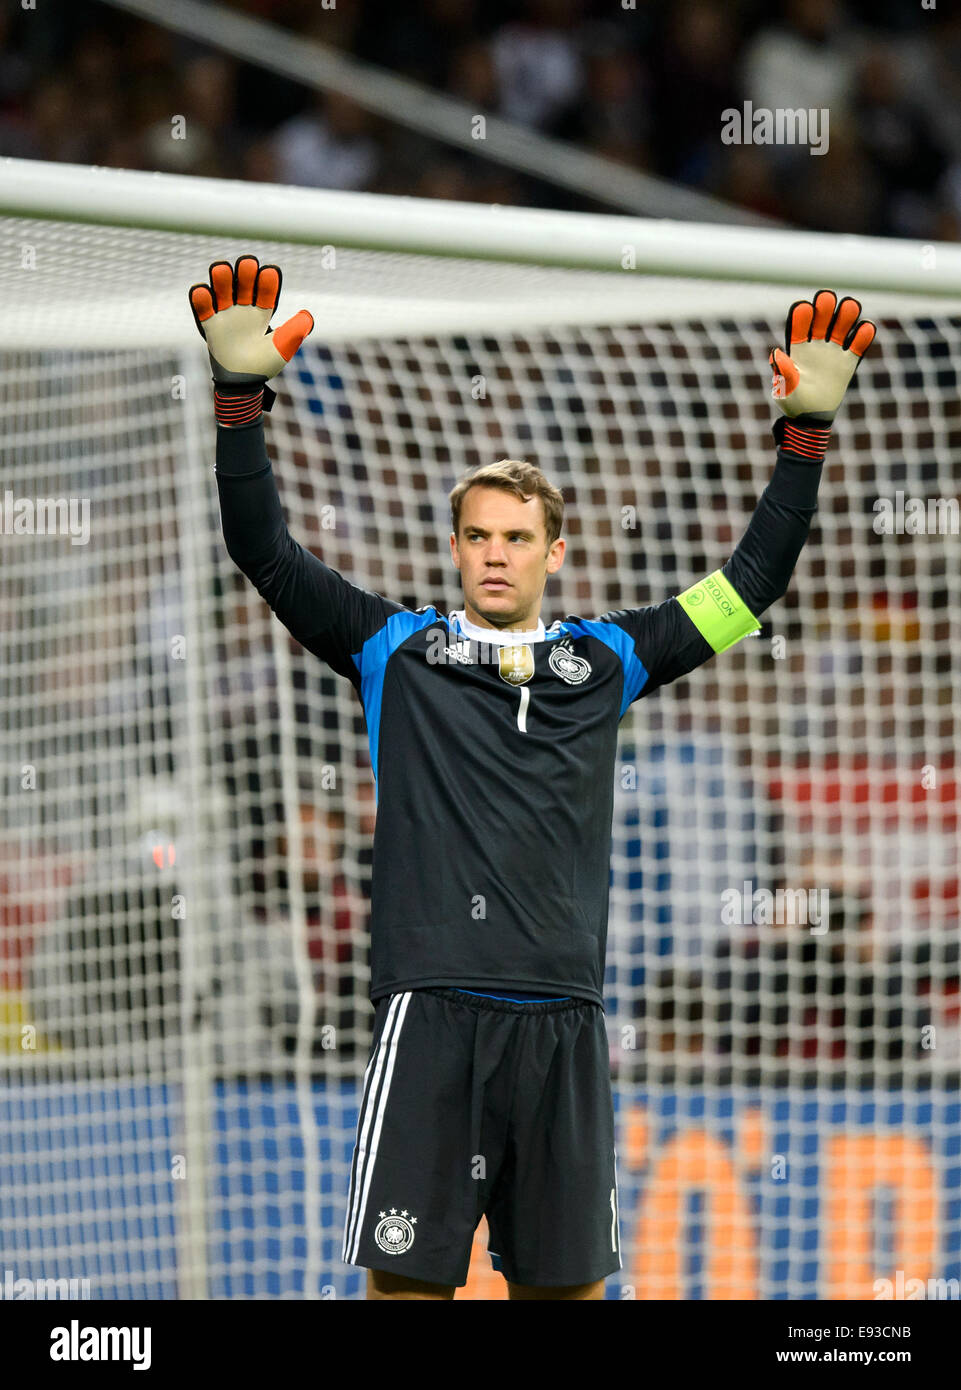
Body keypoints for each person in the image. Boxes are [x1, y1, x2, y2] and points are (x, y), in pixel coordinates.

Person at [188, 255, 875, 1299]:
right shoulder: (395, 649)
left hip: (563, 1019)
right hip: (433, 1011)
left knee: (565, 1293)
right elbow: (264, 553)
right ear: (455, 548)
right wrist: (241, 404)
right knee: (406, 1287)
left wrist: (804, 438)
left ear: (555, 551)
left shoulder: (608, 659)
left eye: (516, 537)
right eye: (477, 537)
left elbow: (750, 588)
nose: (494, 554)